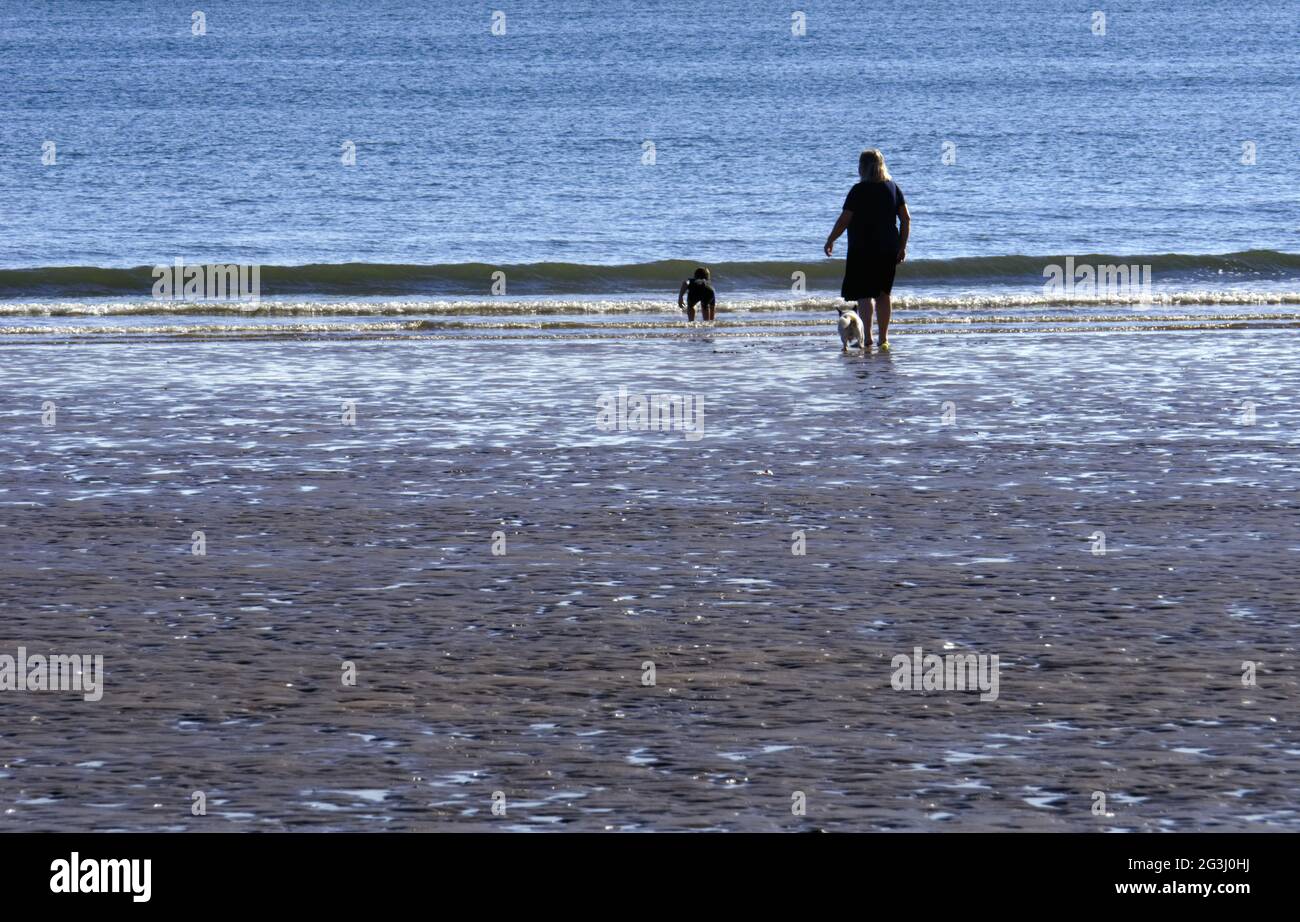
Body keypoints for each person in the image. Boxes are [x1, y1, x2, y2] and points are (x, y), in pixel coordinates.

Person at [823, 148, 910, 349]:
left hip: (862, 248)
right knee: (883, 294)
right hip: (888, 247)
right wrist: (902, 246)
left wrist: (830, 240)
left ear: (863, 167)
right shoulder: (893, 188)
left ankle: (868, 338)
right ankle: (884, 339)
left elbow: (845, 220)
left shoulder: (858, 190)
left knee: (865, 295)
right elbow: (906, 219)